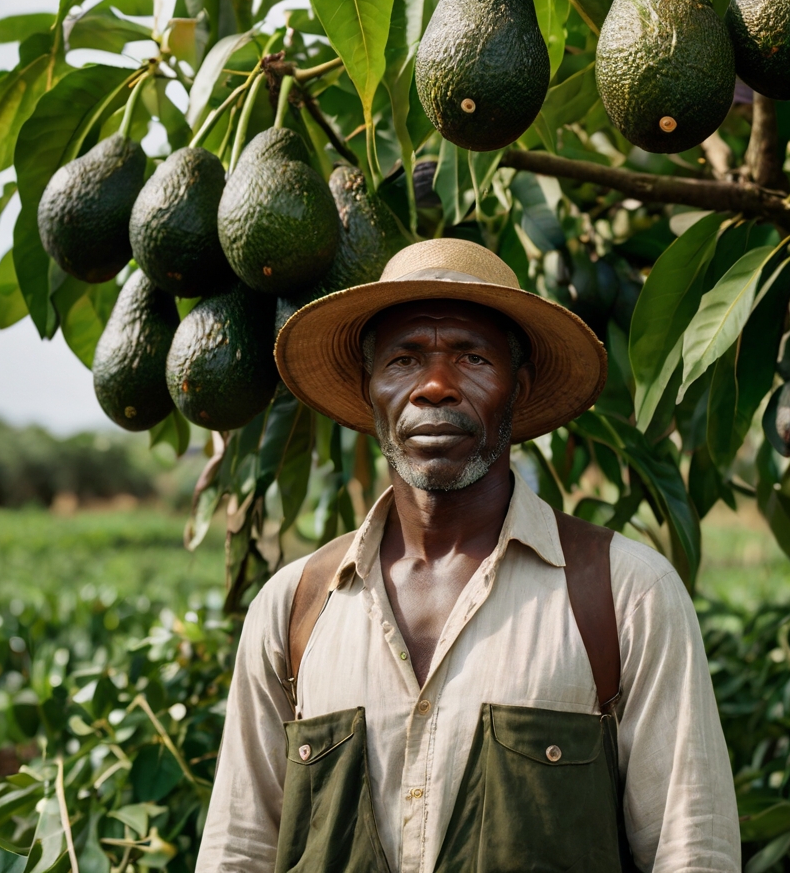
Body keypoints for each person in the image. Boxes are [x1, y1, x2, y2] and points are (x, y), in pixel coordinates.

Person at [196, 238, 741, 873]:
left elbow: (692, 851)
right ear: (369, 389)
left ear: (519, 387)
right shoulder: (293, 609)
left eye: (472, 358)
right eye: (403, 360)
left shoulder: (627, 595)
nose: (434, 386)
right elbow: (239, 851)